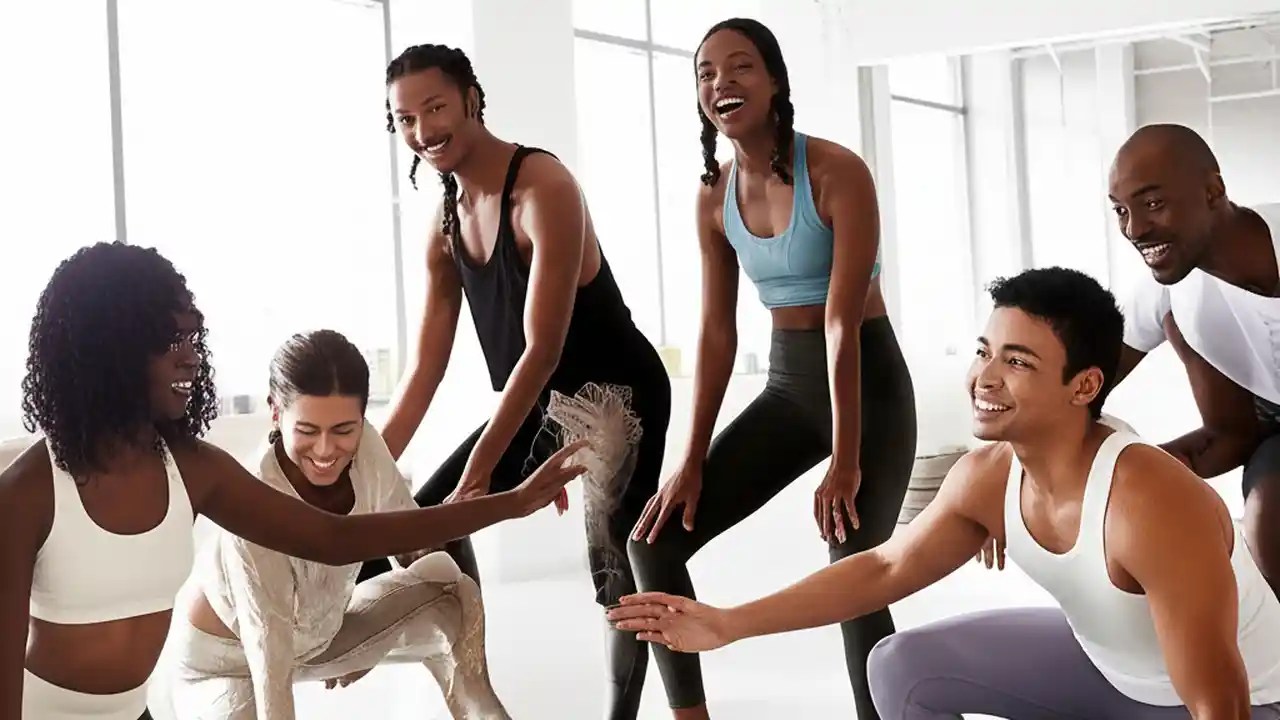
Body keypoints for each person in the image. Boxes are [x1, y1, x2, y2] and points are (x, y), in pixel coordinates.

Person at [610, 266, 1280, 719]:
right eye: (985, 351)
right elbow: (886, 567)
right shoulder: (990, 476)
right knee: (903, 667)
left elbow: (1221, 703)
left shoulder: (1150, 503)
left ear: (1083, 386)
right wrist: (729, 623)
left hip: (1243, 700)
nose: (985, 377)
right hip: (1107, 670)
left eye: (1018, 362)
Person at [1, 242, 585, 720]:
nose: (191, 360)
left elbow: (333, 539)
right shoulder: (27, 494)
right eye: (168, 342)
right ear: (111, 350)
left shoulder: (192, 468)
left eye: (191, 340)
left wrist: (508, 505)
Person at [623, 18, 916, 720]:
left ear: (776, 80)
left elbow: (843, 323)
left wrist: (845, 460)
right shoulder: (711, 198)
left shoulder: (838, 171)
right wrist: (690, 459)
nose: (721, 82)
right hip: (789, 390)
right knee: (651, 542)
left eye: (741, 66)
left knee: (851, 569)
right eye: (705, 73)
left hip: (868, 390)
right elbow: (718, 334)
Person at [371, 44, 673, 720]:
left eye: (436, 107)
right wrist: (363, 467)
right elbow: (425, 368)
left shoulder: (543, 189)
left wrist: (481, 473)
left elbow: (542, 350)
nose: (423, 130)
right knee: (426, 524)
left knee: (618, 574)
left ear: (472, 99)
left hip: (617, 394)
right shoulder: (445, 224)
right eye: (406, 119)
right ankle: (474, 688)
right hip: (546, 403)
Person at [167, 329, 509, 719]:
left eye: (344, 430)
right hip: (228, 661)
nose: (327, 450)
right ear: (276, 411)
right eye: (308, 431)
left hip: (318, 638)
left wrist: (374, 644)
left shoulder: (367, 446)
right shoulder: (255, 498)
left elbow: (409, 542)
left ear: (362, 418)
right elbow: (271, 665)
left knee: (455, 595)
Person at [1107, 123, 1280, 596]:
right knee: (1271, 515)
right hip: (1265, 427)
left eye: (1152, 203)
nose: (1135, 228)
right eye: (1121, 210)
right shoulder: (1166, 292)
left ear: (1213, 191)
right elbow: (1078, 383)